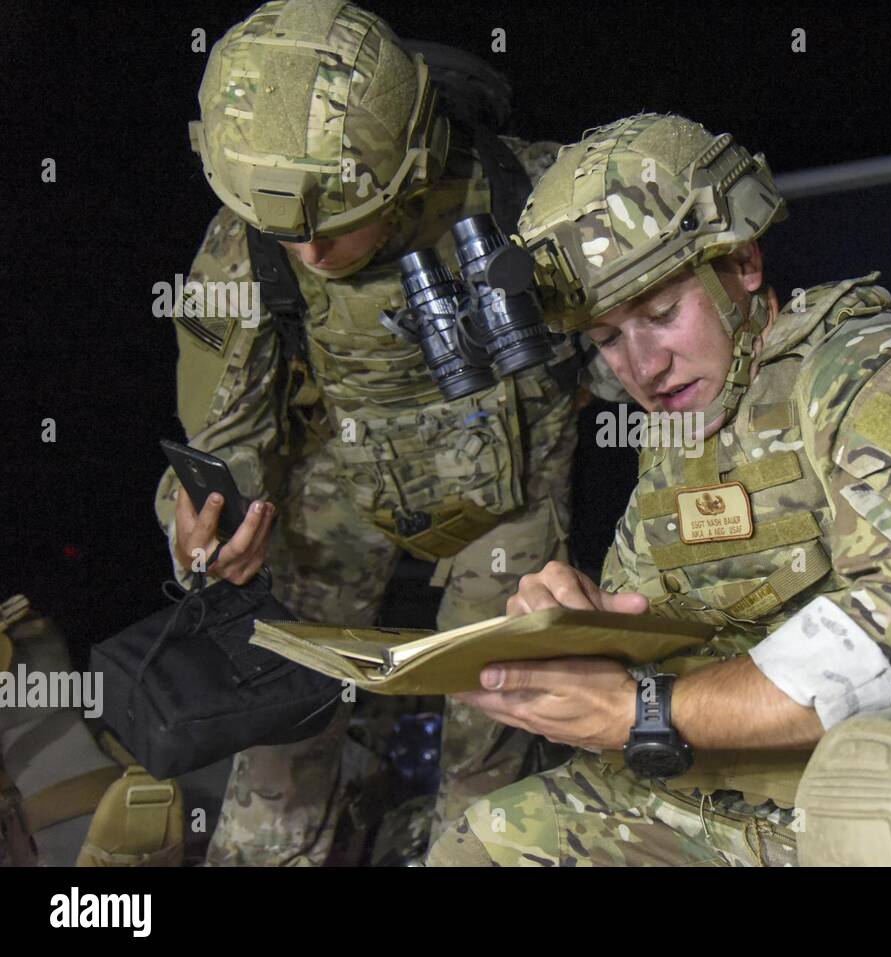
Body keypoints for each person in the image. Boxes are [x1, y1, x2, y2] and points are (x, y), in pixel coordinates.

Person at [424, 113, 891, 867]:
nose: (642, 367)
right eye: (608, 338)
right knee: (484, 845)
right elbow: (664, 625)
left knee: (884, 792)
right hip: (763, 790)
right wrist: (586, 630)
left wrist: (645, 708)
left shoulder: (884, 375)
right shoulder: (680, 428)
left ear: (742, 264)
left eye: (661, 313)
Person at [153, 0, 580, 865]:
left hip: (510, 470)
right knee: (281, 714)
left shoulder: (533, 195)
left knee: (495, 737)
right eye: (289, 233)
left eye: (338, 225)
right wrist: (201, 519)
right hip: (341, 470)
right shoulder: (250, 244)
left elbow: (650, 358)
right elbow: (226, 428)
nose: (309, 255)